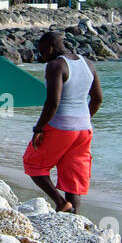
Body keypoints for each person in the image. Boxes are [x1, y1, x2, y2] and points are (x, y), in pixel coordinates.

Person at [23, 31, 101, 214]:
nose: (42, 57)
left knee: (33, 164)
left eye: (42, 52)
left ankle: (60, 203)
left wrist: (39, 129)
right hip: (84, 129)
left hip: (61, 126)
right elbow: (97, 99)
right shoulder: (88, 64)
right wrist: (84, 119)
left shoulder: (55, 65)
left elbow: (53, 103)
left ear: (50, 48)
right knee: (73, 177)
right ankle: (74, 218)